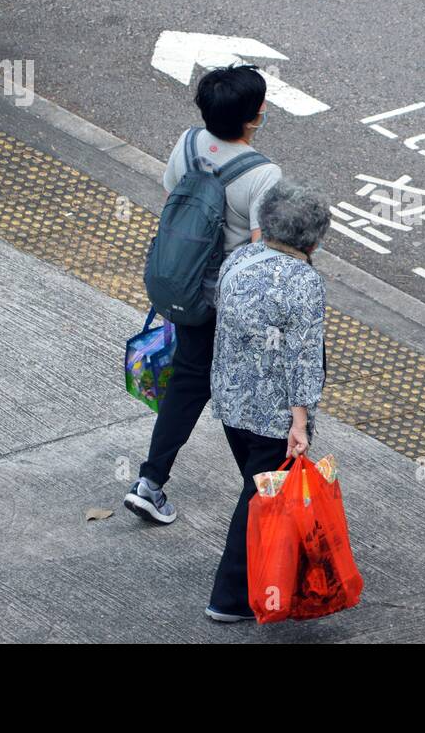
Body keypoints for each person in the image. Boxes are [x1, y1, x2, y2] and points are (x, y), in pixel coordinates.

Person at [124, 65, 281, 525]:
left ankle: (150, 482)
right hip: (228, 302)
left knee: (191, 383)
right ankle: (265, 495)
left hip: (184, 287)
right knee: (242, 393)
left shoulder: (189, 142)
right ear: (253, 118)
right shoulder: (263, 174)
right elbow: (261, 246)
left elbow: (174, 195)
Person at [204, 180, 331, 623]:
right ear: (313, 238)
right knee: (260, 498)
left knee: (257, 487)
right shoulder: (305, 282)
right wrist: (300, 423)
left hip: (231, 399)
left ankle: (279, 570)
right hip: (273, 413)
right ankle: (231, 596)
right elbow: (304, 357)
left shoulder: (239, 258)